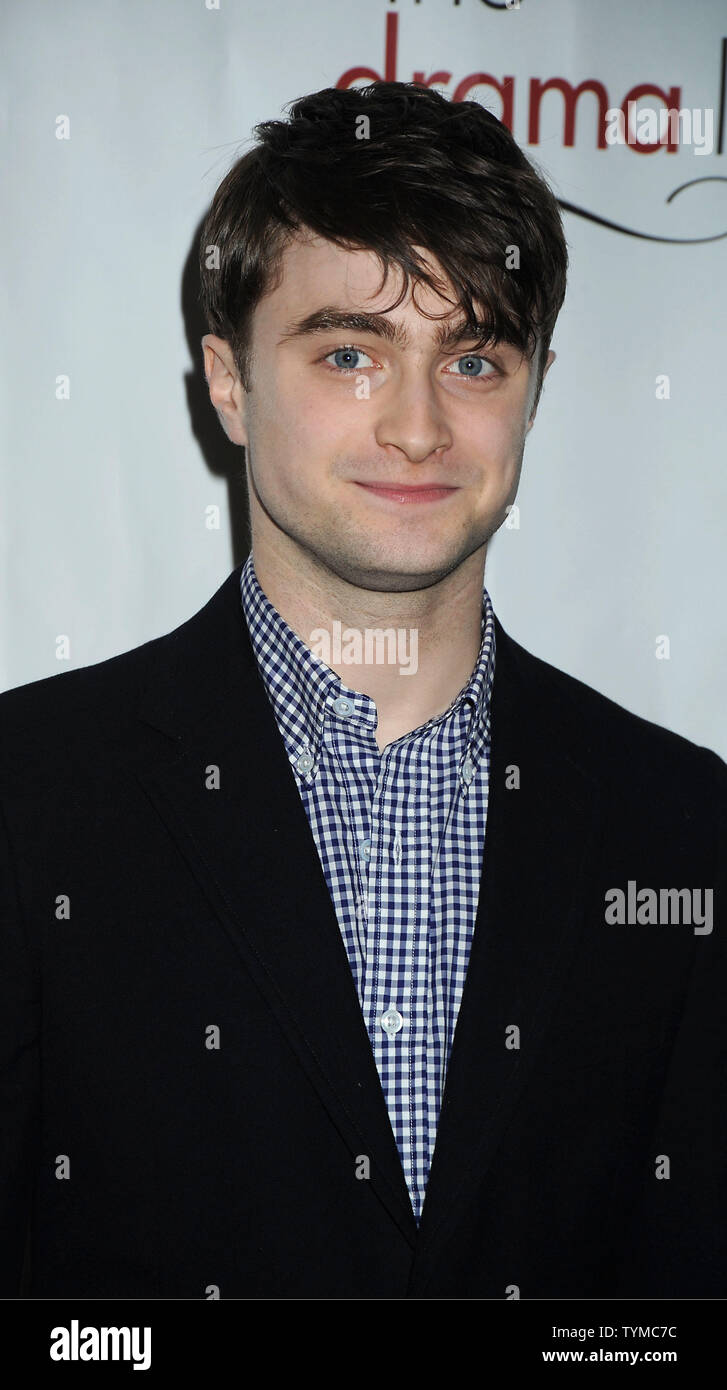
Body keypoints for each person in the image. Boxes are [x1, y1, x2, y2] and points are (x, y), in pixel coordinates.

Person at [1, 81, 724, 1300]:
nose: (417, 426)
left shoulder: (681, 823)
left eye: (474, 356)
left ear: (534, 389)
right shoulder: (28, 797)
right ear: (228, 385)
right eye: (349, 352)